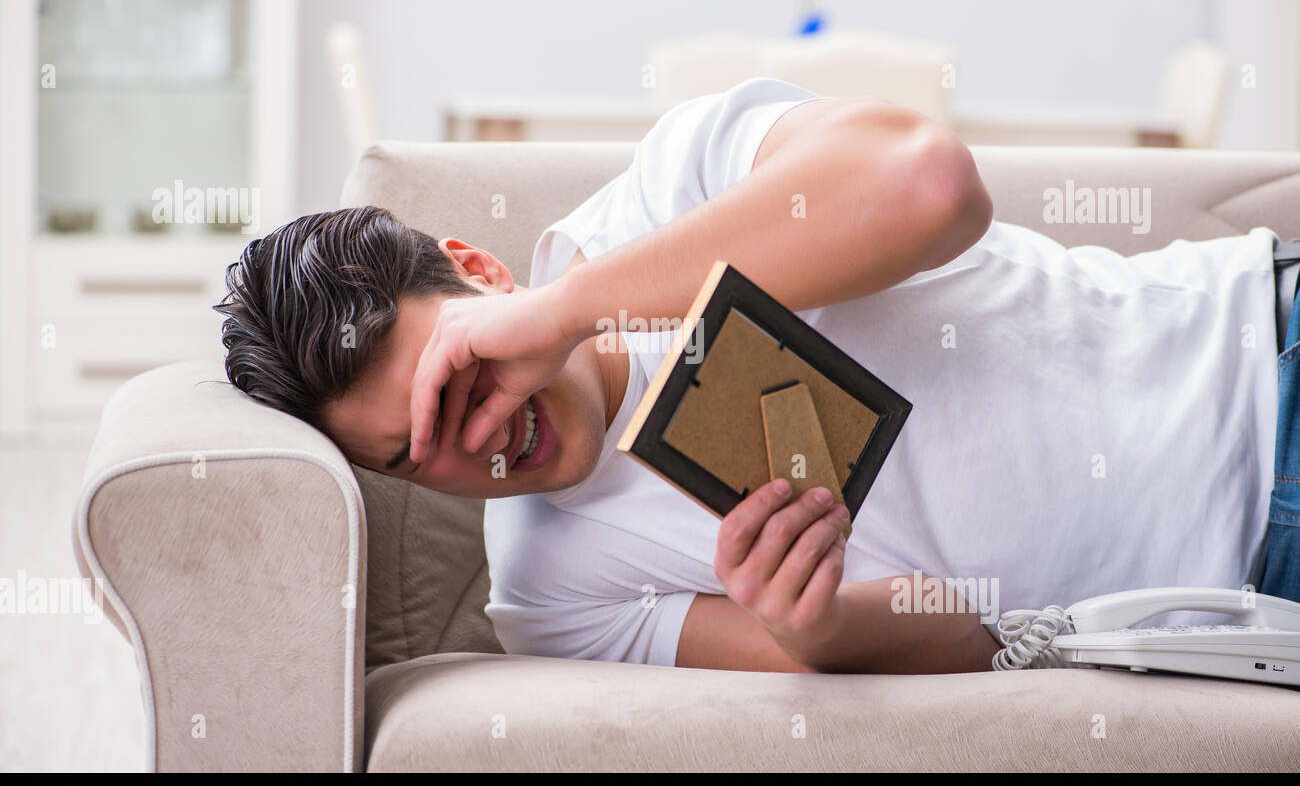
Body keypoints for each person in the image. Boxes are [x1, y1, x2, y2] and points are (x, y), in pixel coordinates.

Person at [214, 77, 1288, 676]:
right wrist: (813, 629)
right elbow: (980, 641)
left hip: (1264, 349)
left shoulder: (679, 181)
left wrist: (566, 312)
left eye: (456, 383)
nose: (477, 440)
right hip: (1237, 605)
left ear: (482, 276)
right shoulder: (548, 600)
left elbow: (929, 187)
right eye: (416, 452)